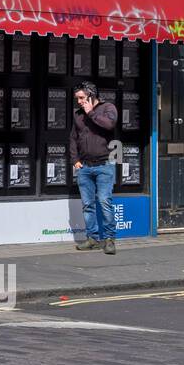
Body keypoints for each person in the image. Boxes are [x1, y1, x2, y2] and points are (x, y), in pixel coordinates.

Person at [69, 81, 119, 253]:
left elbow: (109, 125)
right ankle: (92, 238)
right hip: (85, 167)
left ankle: (110, 239)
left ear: (91, 95)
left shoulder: (108, 108)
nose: (79, 102)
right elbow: (73, 138)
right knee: (87, 204)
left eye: (82, 98)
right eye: (77, 98)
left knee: (105, 202)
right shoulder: (78, 114)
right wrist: (75, 160)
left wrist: (91, 113)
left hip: (105, 165)